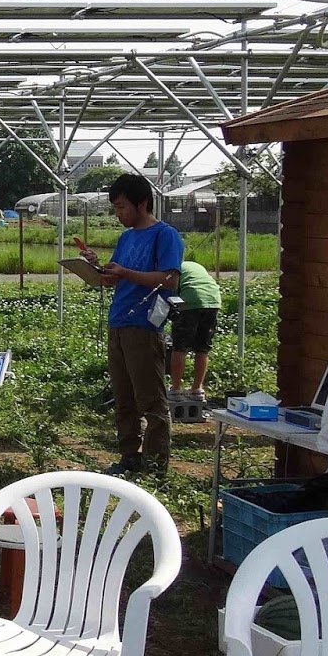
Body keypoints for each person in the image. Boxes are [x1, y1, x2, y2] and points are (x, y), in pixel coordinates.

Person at [77, 173, 183, 475]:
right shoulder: (126, 237)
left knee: (150, 400)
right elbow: (115, 277)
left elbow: (169, 279)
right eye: (115, 207)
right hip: (119, 322)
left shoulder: (165, 235)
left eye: (121, 206)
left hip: (144, 326)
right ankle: (129, 457)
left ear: (142, 203)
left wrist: (125, 272)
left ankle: (154, 463)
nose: (118, 213)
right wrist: (99, 268)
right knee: (124, 398)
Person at [168, 259, 221, 405]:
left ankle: (176, 389)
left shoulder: (172, 268)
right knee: (203, 348)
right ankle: (197, 389)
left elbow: (169, 292)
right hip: (213, 301)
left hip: (190, 301)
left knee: (180, 348)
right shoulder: (195, 266)